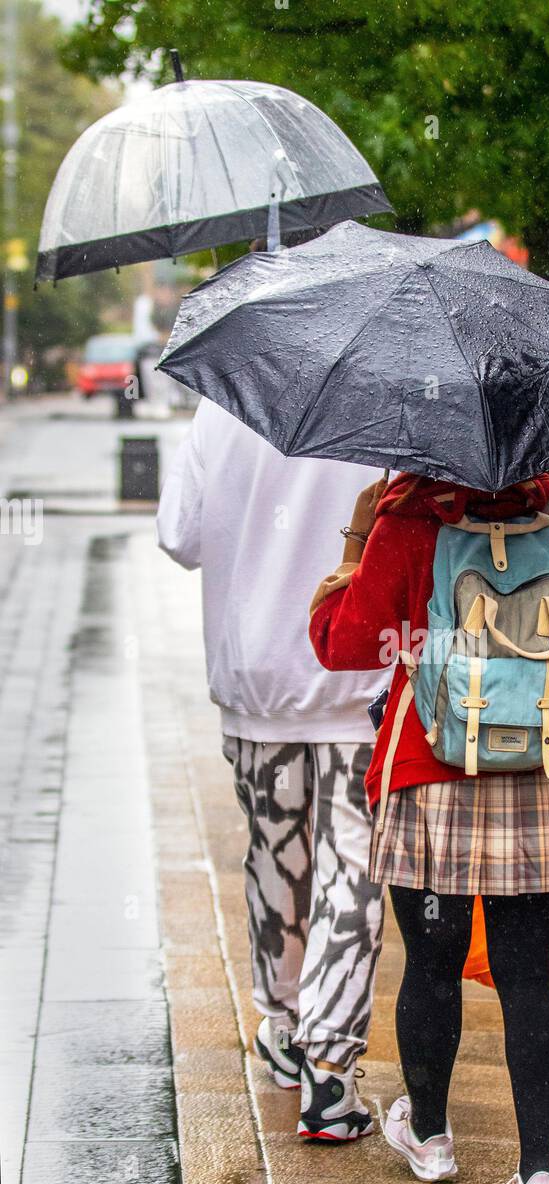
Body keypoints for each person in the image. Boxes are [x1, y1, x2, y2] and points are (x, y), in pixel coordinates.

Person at [309, 470, 549, 1184]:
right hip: (544, 775)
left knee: (431, 963)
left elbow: (343, 643)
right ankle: (541, 1182)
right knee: (531, 981)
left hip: (431, 776)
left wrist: (358, 539)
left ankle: (430, 1137)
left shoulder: (406, 517)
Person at [157, 398, 386, 1141]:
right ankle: (330, 1072)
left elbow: (178, 536)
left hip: (255, 679)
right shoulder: (389, 404)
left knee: (273, 858)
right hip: (359, 677)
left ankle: (283, 1026)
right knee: (354, 872)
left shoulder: (225, 402)